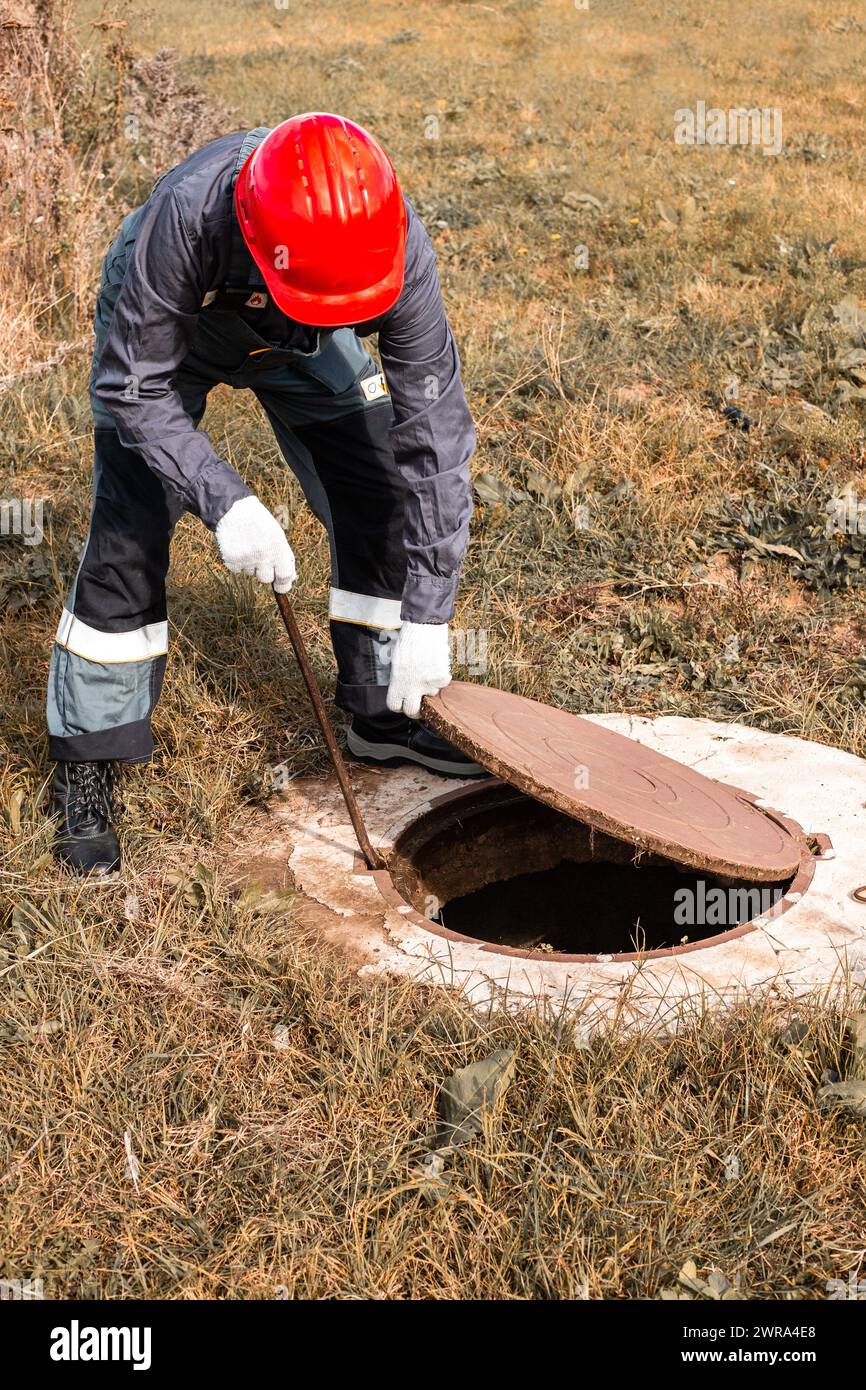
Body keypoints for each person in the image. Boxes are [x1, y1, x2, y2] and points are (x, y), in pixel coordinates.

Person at [48, 113, 481, 875]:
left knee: (377, 485)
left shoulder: (386, 242)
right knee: (131, 527)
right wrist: (227, 500)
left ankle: (382, 713)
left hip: (309, 315)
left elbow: (435, 429)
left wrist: (430, 614)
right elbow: (136, 388)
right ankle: (89, 755)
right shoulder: (185, 218)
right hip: (169, 332)